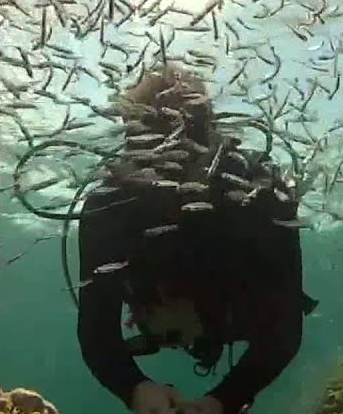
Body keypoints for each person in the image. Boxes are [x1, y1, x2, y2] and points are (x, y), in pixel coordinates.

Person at [77, 64, 317, 414]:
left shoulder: (259, 197)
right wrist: (136, 389)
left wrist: (223, 401)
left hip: (235, 314)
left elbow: (284, 330)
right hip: (162, 313)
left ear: (210, 141)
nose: (168, 177)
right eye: (152, 151)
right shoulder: (108, 208)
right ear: (131, 146)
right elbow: (96, 330)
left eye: (180, 148)